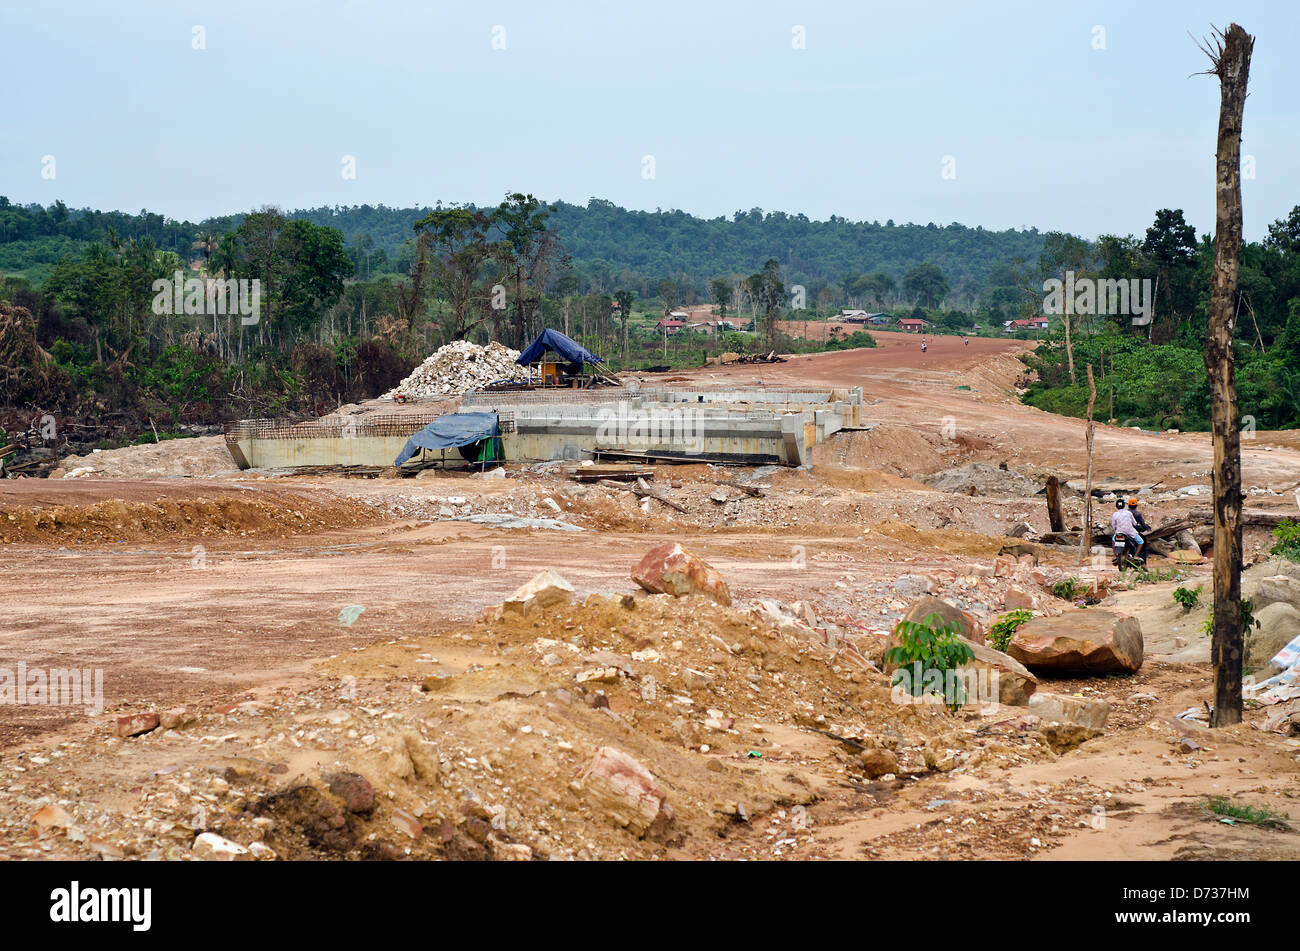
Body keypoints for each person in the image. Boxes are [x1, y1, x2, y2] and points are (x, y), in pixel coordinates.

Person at [1110, 499, 1144, 563]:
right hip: (1130, 532)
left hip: (1119, 532)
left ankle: (1115, 555)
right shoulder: (1128, 513)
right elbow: (1134, 523)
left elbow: (1113, 525)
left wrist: (1116, 530)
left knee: (1113, 540)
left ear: (1116, 506)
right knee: (1141, 542)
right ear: (1124, 506)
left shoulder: (1115, 514)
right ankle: (1136, 555)